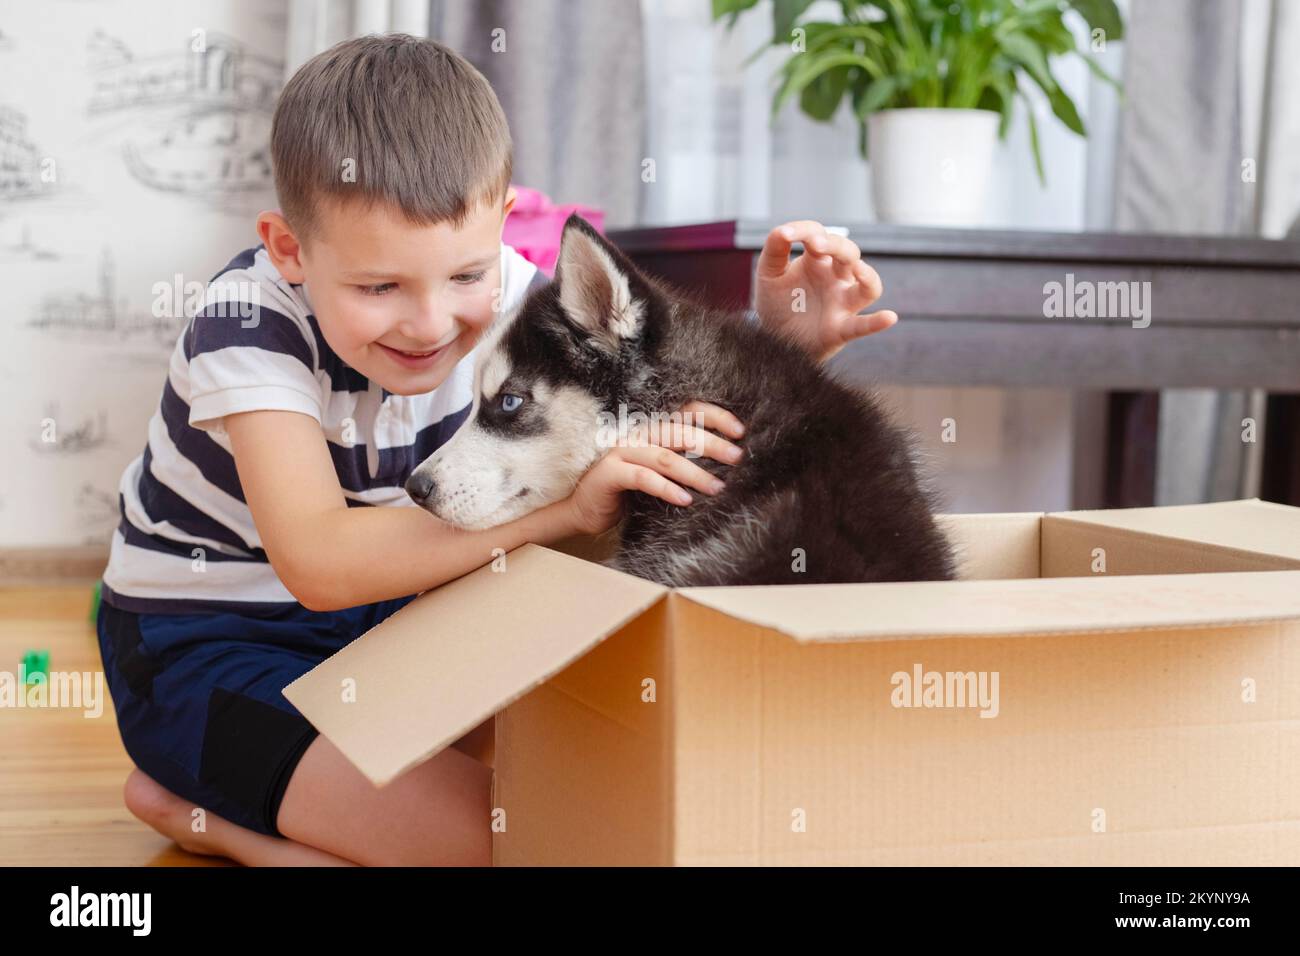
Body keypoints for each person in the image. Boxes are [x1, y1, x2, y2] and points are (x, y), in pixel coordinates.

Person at [95, 33, 897, 866]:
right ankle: (223, 814)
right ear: (290, 250)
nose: (432, 322)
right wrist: (564, 509)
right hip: (212, 650)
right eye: (380, 287)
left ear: (505, 225)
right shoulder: (245, 326)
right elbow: (322, 563)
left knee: (587, 792)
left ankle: (244, 802)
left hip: (391, 630)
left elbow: (643, 399)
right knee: (511, 842)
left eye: (464, 276)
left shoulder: (510, 293)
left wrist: (788, 349)